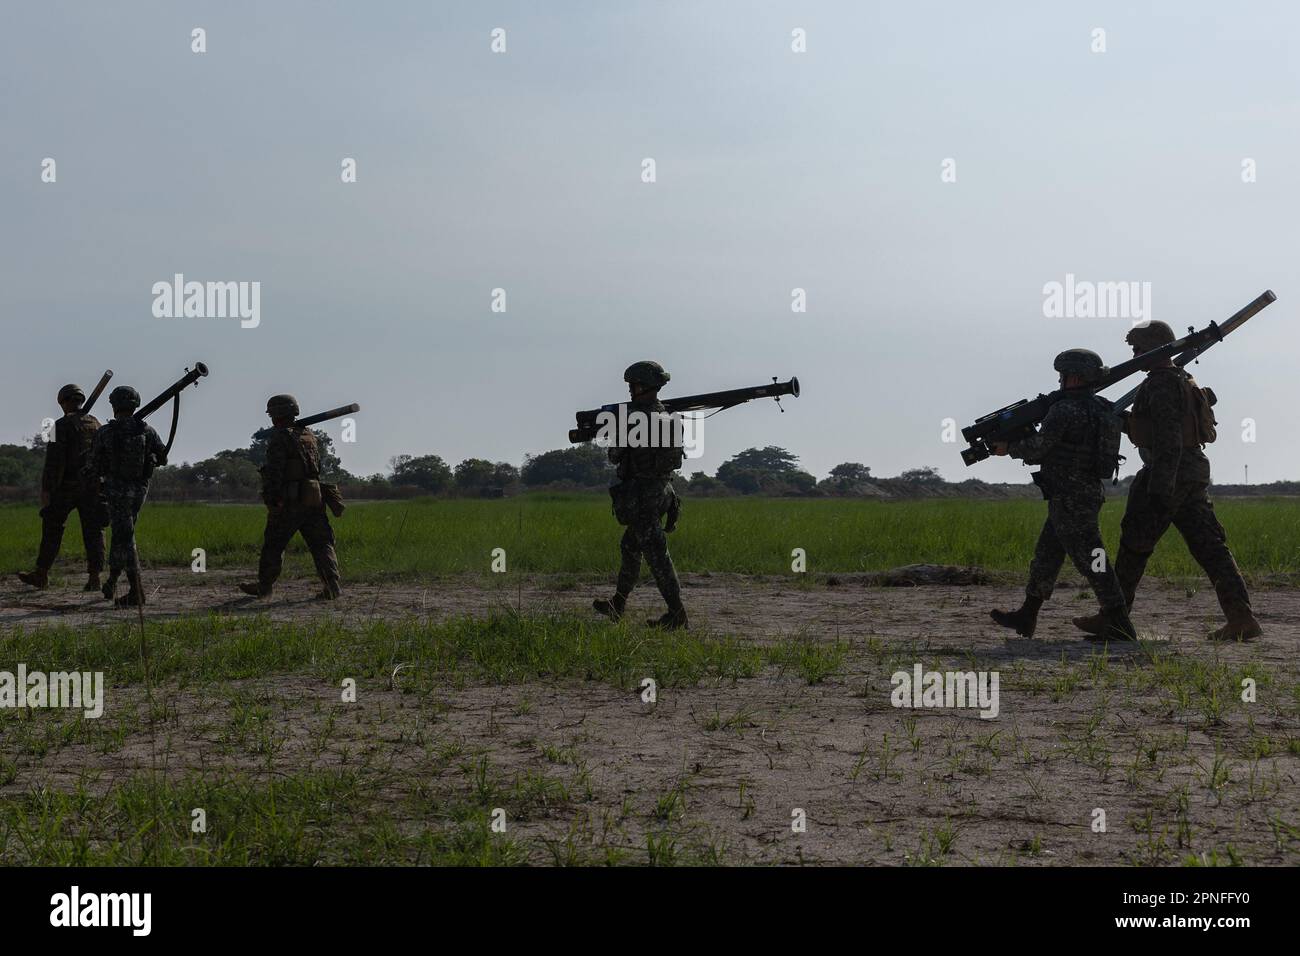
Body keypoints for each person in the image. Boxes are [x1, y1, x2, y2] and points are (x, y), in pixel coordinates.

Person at [1073, 321, 1261, 641]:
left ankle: (1114, 619)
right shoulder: (1181, 378)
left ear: (1153, 347)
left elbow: (1168, 438)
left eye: (1138, 349)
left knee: (1134, 544)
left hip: (1168, 474)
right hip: (1190, 474)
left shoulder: (1160, 383)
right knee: (1212, 549)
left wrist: (1160, 488)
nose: (1134, 355)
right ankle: (1241, 618)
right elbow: (1150, 426)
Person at [989, 350, 1136, 642]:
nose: (1060, 381)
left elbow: (1039, 448)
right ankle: (1027, 615)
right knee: (1047, 556)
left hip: (1071, 498)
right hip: (1079, 494)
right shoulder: (1102, 407)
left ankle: (1120, 625)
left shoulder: (1065, 409)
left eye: (1063, 375)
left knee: (1094, 561)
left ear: (1075, 377)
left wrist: (1009, 448)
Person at [592, 361, 687, 629]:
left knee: (657, 556)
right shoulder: (668, 417)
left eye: (633, 385)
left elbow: (614, 456)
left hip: (643, 497)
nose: (630, 390)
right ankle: (617, 604)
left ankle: (677, 614)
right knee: (630, 546)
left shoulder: (633, 421)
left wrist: (613, 432)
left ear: (643, 386)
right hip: (663, 492)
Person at [239, 394, 341, 600]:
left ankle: (264, 586)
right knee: (322, 543)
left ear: (276, 414)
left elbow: (275, 472)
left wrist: (272, 498)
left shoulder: (280, 438)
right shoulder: (309, 435)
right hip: (313, 497)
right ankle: (332, 586)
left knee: (273, 545)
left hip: (289, 501)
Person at [16, 384, 107, 591]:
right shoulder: (97, 425)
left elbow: (54, 462)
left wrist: (47, 490)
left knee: (52, 530)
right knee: (94, 532)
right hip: (92, 487)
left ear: (63, 402)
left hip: (66, 488)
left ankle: (41, 574)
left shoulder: (59, 426)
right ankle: (95, 578)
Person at [86, 386, 167, 607]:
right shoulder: (147, 430)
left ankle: (136, 591)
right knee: (123, 534)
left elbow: (92, 465)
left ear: (114, 406)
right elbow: (163, 457)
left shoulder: (105, 432)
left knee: (126, 537)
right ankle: (112, 581)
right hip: (139, 492)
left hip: (115, 491)